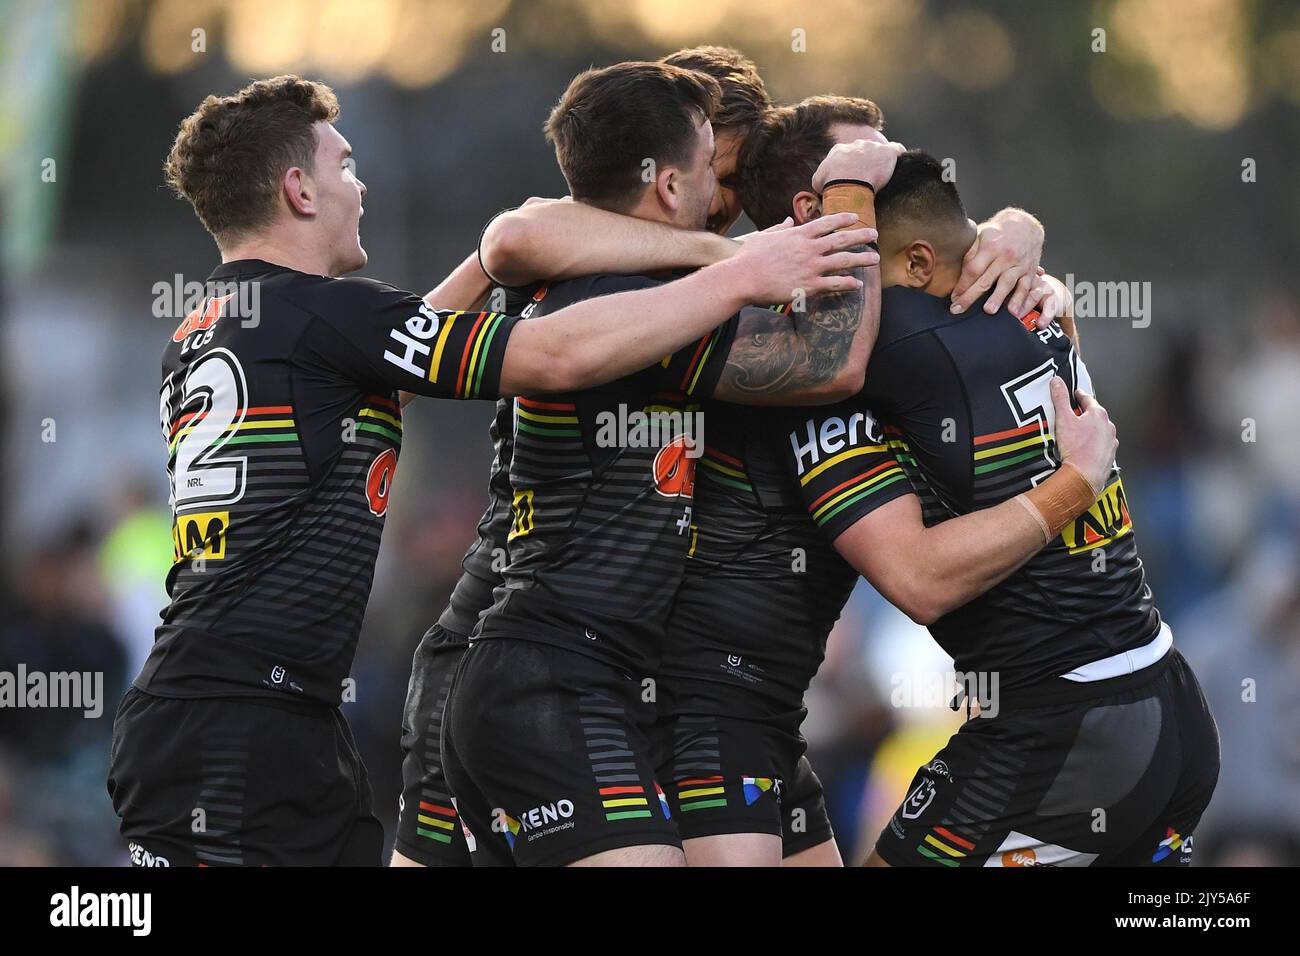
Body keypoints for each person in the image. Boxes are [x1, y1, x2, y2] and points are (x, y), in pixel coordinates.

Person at [105, 73, 875, 867]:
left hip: (254, 712)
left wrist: (487, 259)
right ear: (298, 189)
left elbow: (398, 363)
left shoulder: (216, 327)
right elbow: (556, 353)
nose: (359, 187)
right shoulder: (329, 316)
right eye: (344, 167)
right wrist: (743, 271)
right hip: (238, 723)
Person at [440, 60, 901, 867]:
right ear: (664, 182)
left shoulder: (646, 277)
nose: (723, 211)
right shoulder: (634, 298)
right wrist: (836, 203)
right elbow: (828, 361)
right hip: (541, 677)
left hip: (606, 682)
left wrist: (1013, 235)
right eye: (708, 176)